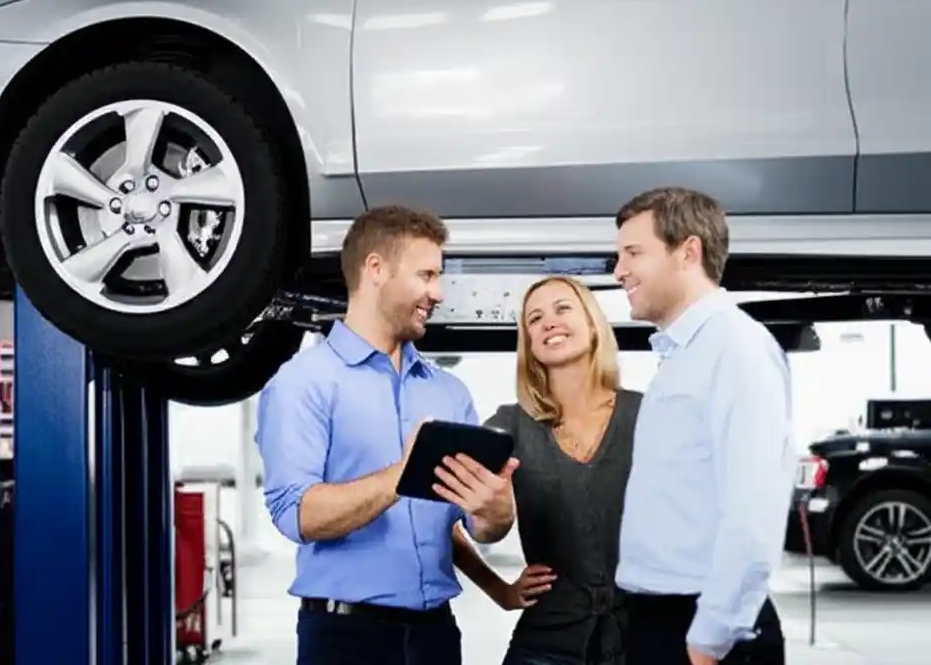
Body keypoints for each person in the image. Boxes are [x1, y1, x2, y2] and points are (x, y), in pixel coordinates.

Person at [255, 204, 519, 665]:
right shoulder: (302, 383)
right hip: (344, 640)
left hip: (436, 635)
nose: (437, 293)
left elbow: (468, 524)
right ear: (375, 269)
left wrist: (495, 514)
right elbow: (296, 516)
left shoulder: (448, 392)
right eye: (426, 275)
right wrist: (403, 474)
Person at [612, 187, 796, 665]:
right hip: (662, 620)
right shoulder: (685, 355)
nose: (619, 271)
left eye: (634, 253)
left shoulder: (737, 349)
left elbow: (754, 507)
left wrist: (709, 639)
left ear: (688, 251)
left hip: (701, 629)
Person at [472, 275, 643, 665]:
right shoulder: (508, 426)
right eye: (534, 318)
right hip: (545, 645)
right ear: (529, 343)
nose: (549, 322)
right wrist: (501, 591)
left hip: (643, 641)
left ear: (592, 323)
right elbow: (437, 517)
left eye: (562, 308)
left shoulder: (649, 415)